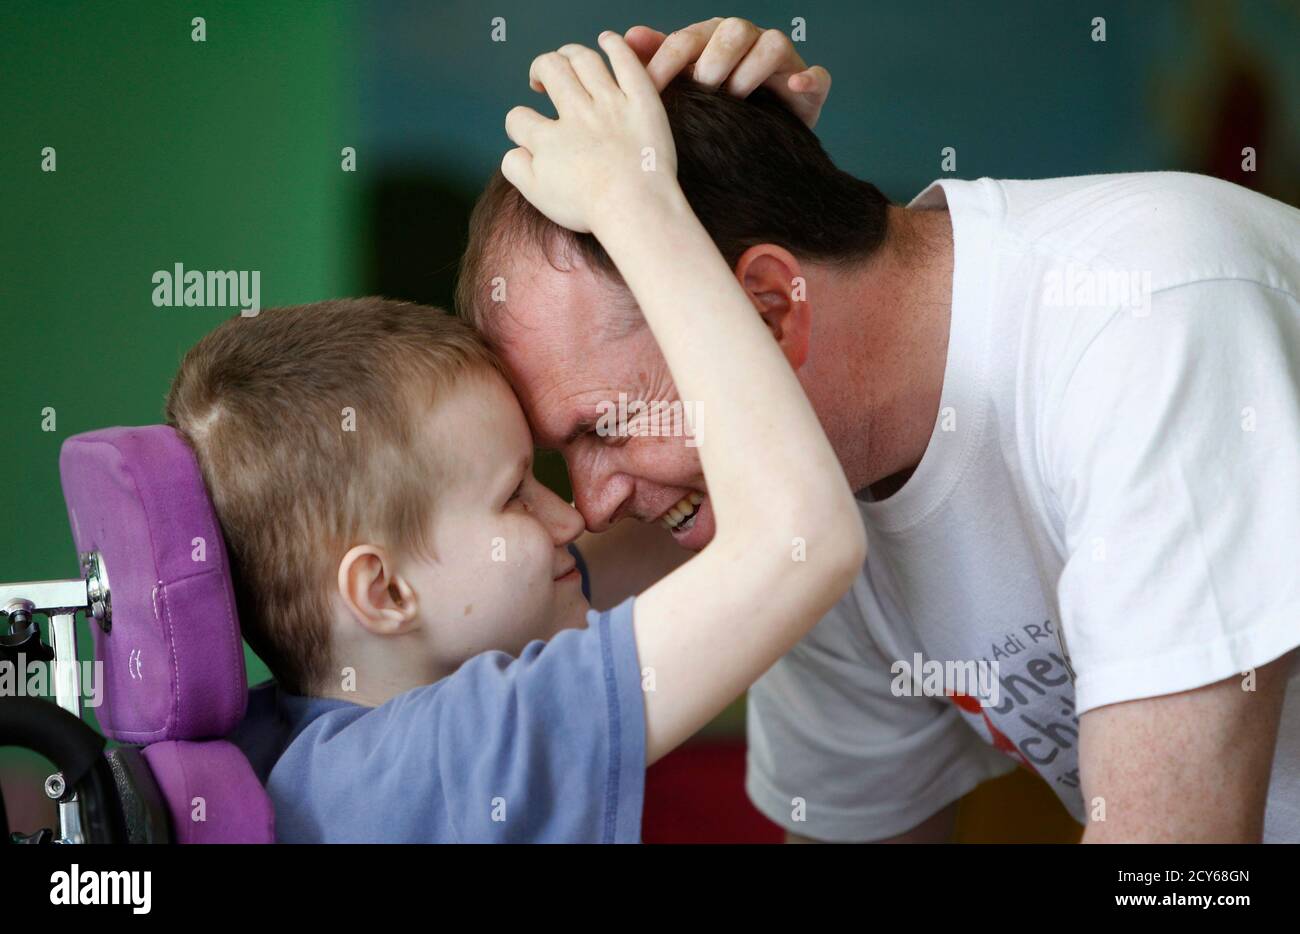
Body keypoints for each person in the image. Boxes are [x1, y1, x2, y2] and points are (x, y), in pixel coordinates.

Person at [458, 19, 1300, 842]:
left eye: (608, 425)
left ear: (772, 310)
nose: (594, 507)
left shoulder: (1145, 320)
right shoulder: (801, 501)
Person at [167, 31, 865, 842]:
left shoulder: (294, 752)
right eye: (515, 495)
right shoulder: (459, 749)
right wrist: (634, 203)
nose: (575, 519)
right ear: (385, 593)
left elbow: (682, 541)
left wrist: (747, 177)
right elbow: (798, 540)